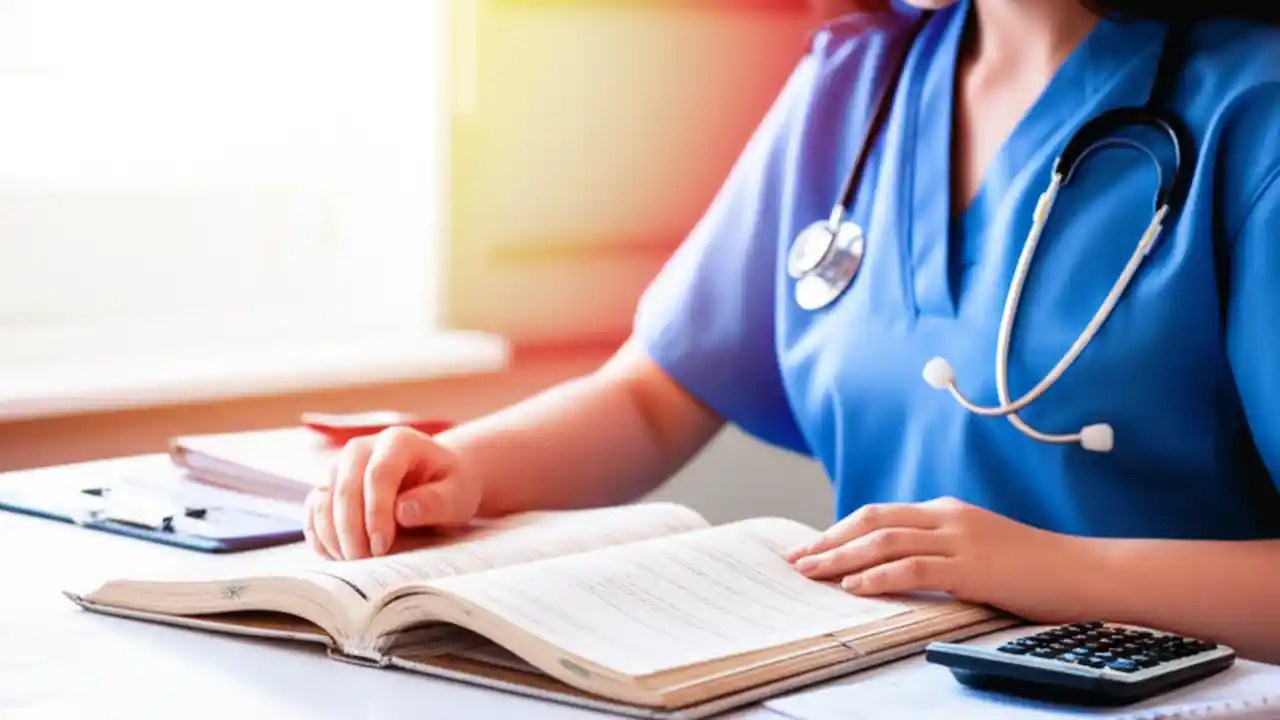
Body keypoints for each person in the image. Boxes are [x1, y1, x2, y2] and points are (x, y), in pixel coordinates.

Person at [306, 0, 1280, 661]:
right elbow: (653, 398)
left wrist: (1050, 570)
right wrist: (463, 469)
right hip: (873, 683)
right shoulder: (861, 77)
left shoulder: (1253, 114)